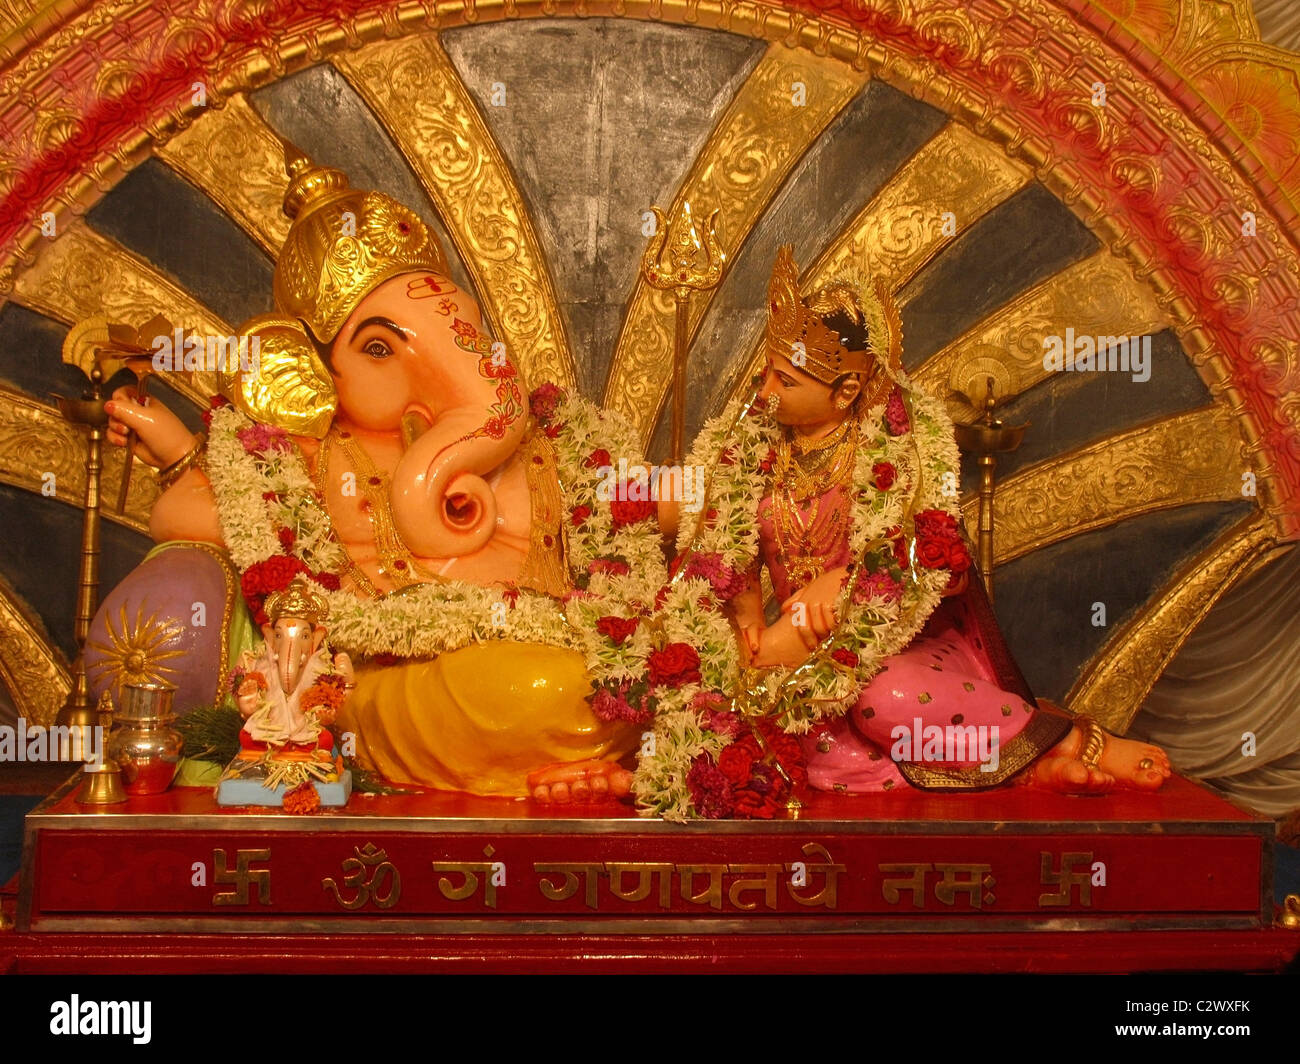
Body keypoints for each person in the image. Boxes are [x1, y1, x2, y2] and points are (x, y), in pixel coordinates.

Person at [686, 246, 1170, 795]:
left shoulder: (895, 451)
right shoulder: (753, 451)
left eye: (785, 382)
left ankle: (1063, 741)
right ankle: (1020, 770)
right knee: (738, 721)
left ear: (845, 392)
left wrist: (844, 585)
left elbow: (948, 568)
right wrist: (747, 628)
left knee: (883, 701)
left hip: (900, 649)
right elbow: (730, 555)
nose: (765, 395)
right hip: (792, 653)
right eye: (765, 376)